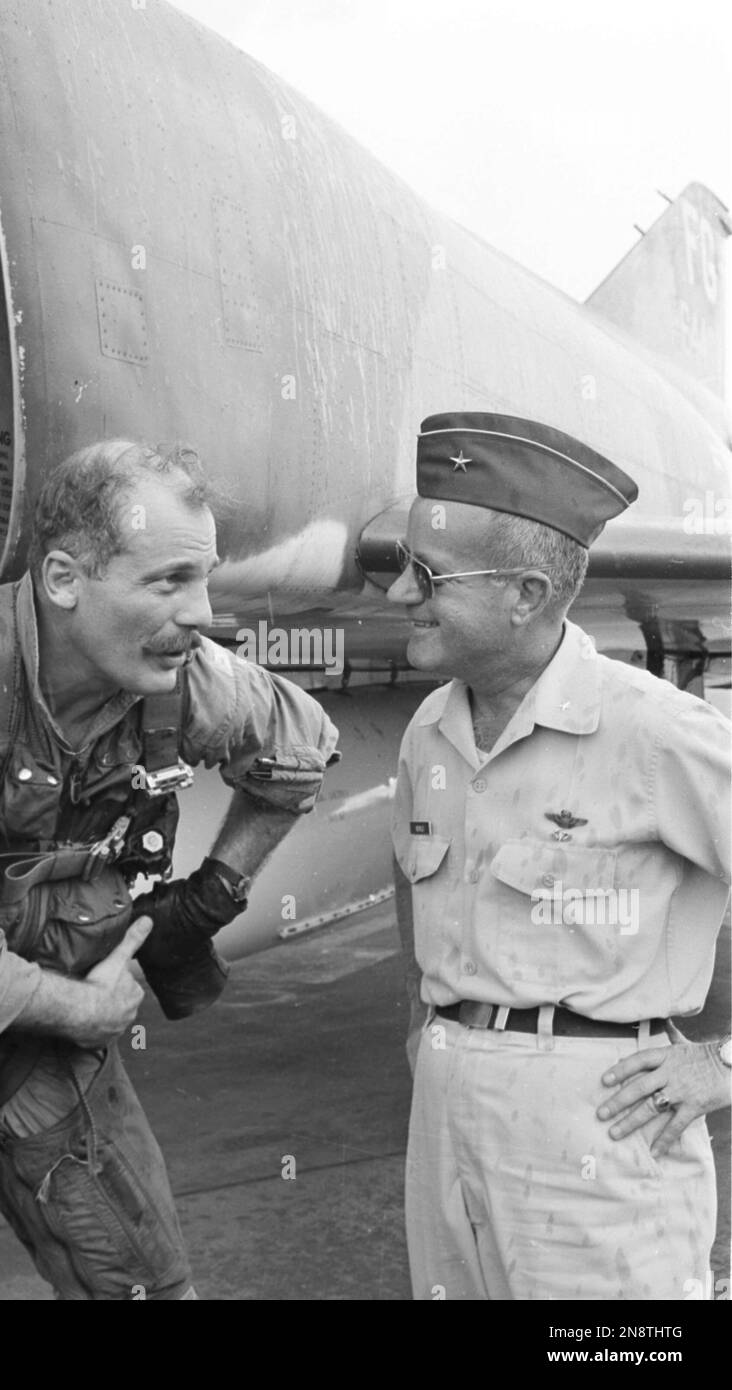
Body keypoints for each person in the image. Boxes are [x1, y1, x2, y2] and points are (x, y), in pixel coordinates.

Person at [0, 439, 339, 1301]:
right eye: (169, 582)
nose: (204, 614)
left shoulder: (182, 681)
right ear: (64, 579)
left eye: (206, 578)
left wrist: (212, 894)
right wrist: (88, 1008)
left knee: (146, 1288)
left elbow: (299, 750)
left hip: (39, 1050)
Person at [388, 411, 731, 1301]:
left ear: (528, 593)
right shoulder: (430, 731)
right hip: (445, 1123)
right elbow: (415, 886)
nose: (396, 595)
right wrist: (430, 1036)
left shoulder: (657, 733)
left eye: (426, 575)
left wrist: (721, 1066)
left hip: (601, 1135)